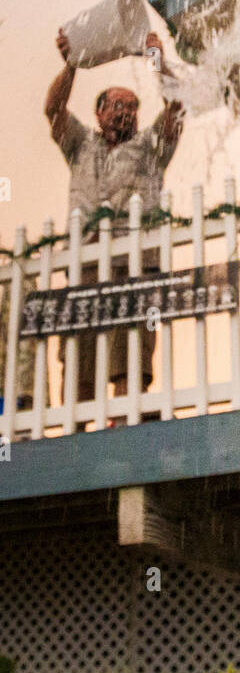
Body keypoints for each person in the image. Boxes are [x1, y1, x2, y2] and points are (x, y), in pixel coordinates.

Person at [44, 27, 184, 422]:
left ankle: (123, 442)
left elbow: (177, 110)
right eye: (117, 105)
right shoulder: (80, 144)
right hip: (85, 269)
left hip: (136, 269)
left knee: (131, 365)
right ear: (99, 112)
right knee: (79, 365)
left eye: (132, 107)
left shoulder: (151, 148)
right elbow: (52, 109)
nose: (126, 112)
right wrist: (71, 64)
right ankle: (76, 451)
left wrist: (158, 62)